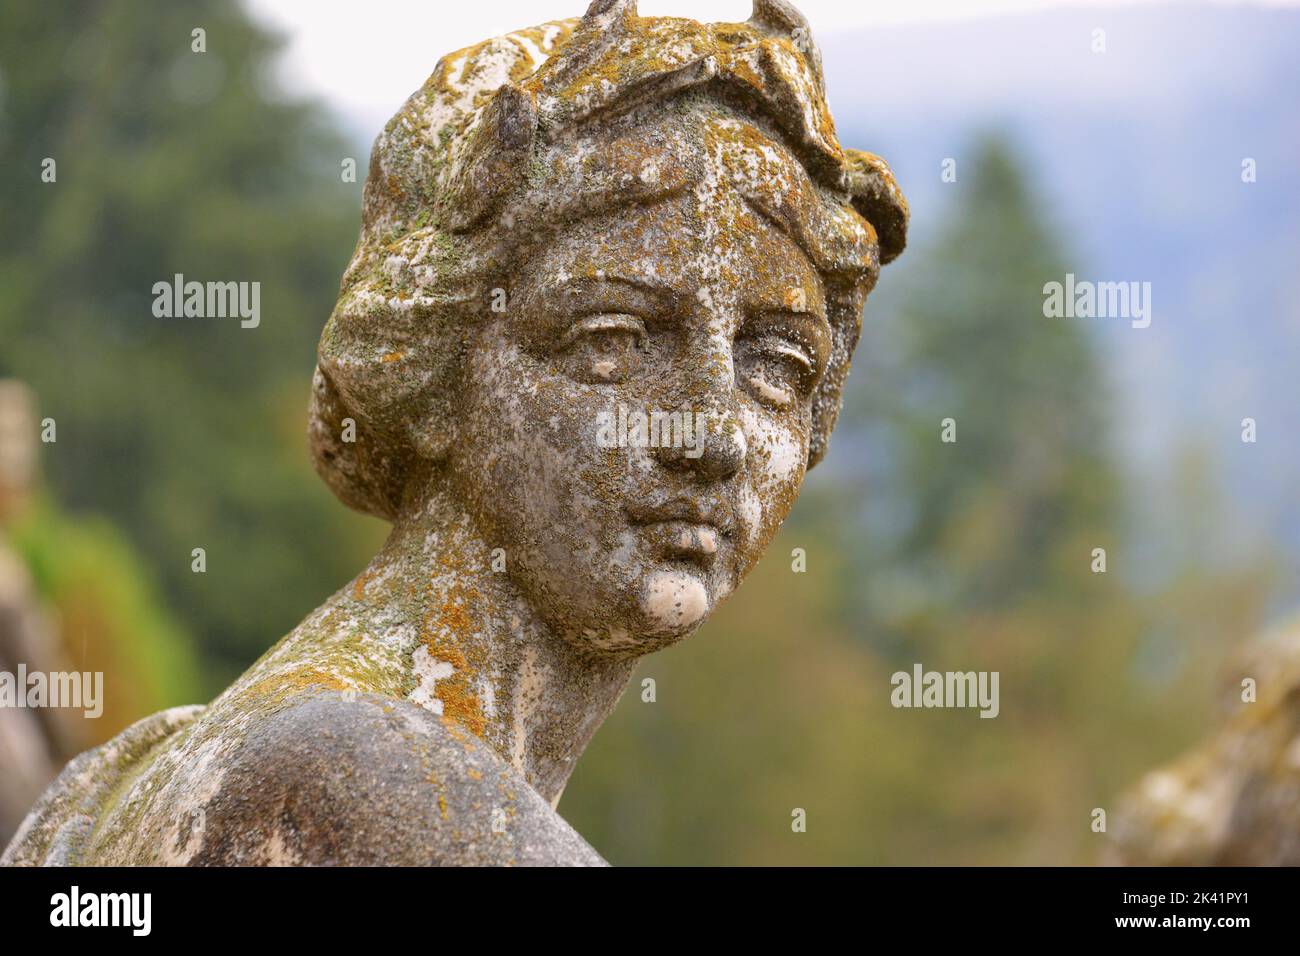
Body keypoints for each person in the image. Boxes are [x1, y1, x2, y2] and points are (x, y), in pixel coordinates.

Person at [3, 0, 907, 866]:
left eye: (778, 367)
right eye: (612, 340)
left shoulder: (191, 760)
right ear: (430, 373)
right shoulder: (353, 779)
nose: (711, 435)